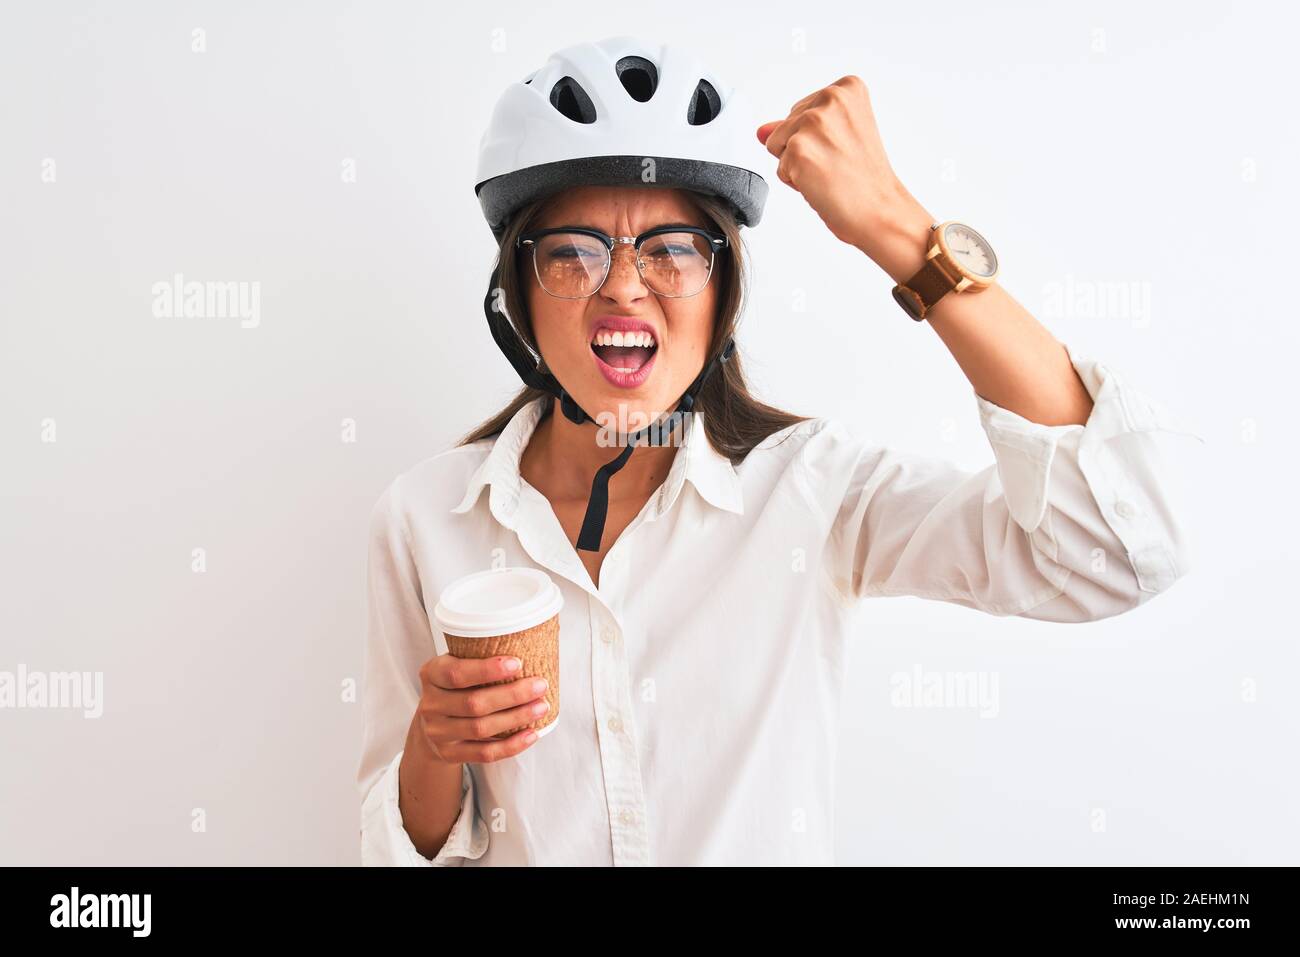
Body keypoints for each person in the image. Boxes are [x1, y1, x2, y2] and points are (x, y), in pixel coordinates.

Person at [357, 36, 1202, 866]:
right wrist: (435, 749)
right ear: (519, 291)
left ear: (725, 292)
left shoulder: (812, 487)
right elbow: (397, 849)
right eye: (573, 254)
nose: (622, 286)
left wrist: (900, 230)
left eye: (673, 251)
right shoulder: (426, 517)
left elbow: (1117, 549)